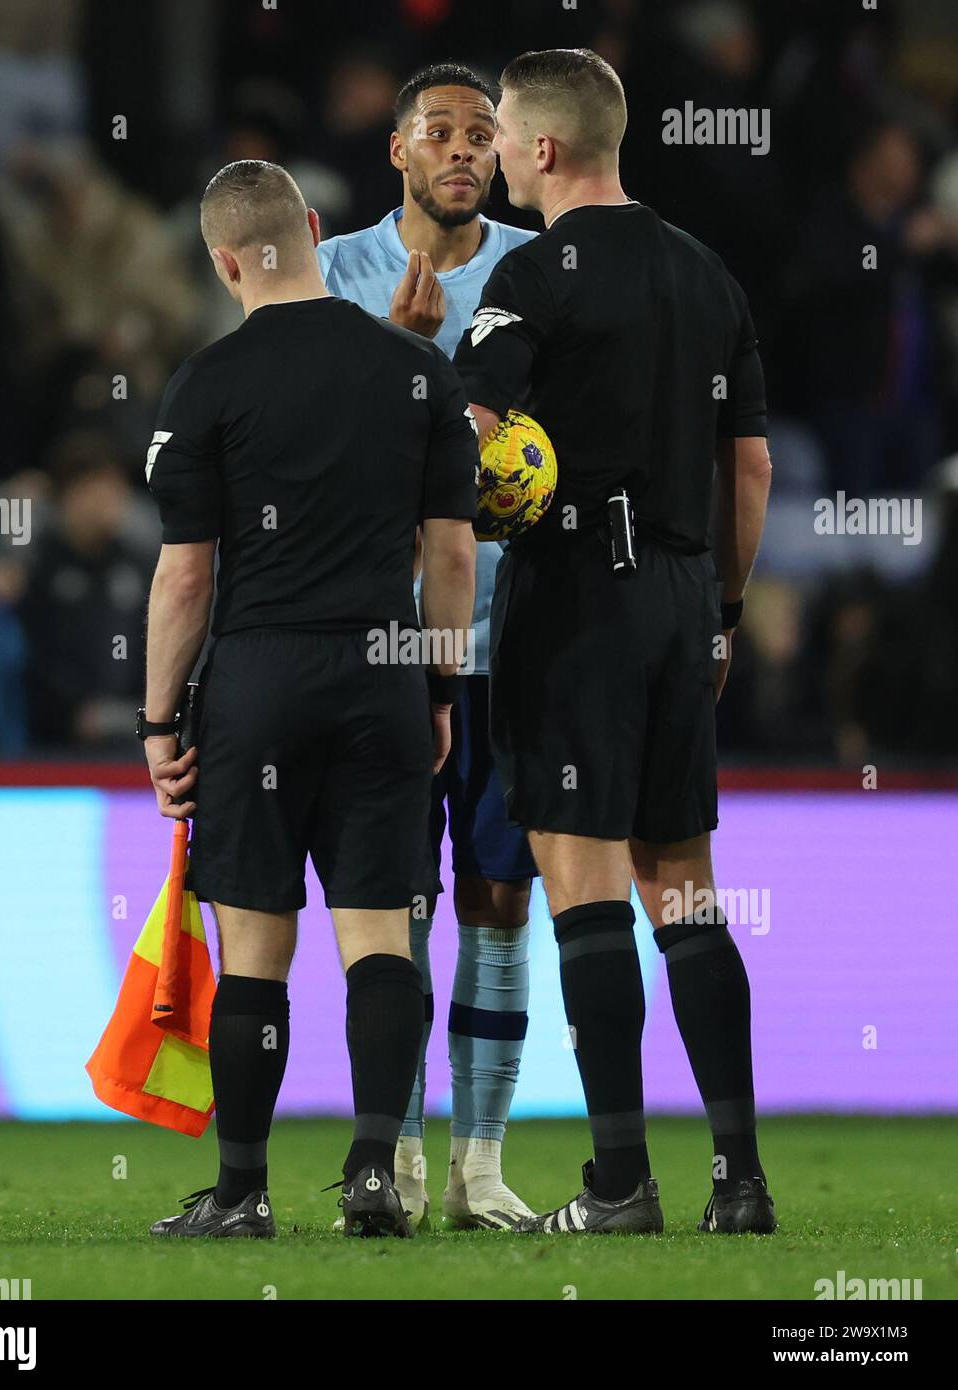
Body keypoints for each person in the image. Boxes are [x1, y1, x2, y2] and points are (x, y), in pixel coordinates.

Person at [453, 48, 776, 1236]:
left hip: (578, 596)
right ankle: (738, 1181)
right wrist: (724, 610)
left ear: (540, 148)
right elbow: (751, 468)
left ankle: (616, 1185)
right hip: (686, 595)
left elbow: (471, 431)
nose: (491, 156)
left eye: (496, 136)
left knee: (582, 884)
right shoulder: (707, 277)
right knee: (680, 886)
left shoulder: (534, 277)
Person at [141, 160, 478, 1238]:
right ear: (318, 231)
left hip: (256, 682)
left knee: (256, 950)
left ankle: (240, 1192)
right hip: (381, 675)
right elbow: (452, 552)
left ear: (224, 261)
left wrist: (156, 722)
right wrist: (436, 684)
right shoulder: (416, 373)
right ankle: (375, 1170)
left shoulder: (203, 384)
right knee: (380, 935)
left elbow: (185, 578)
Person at [317, 62, 538, 1231]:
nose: (461, 150)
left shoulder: (538, 271)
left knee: (499, 895)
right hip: (379, 648)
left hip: (514, 641)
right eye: (438, 132)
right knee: (390, 906)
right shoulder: (334, 276)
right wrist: (404, 363)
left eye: (480, 135)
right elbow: (309, 453)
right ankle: (395, 1158)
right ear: (395, 149)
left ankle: (482, 1163)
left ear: (504, 155)